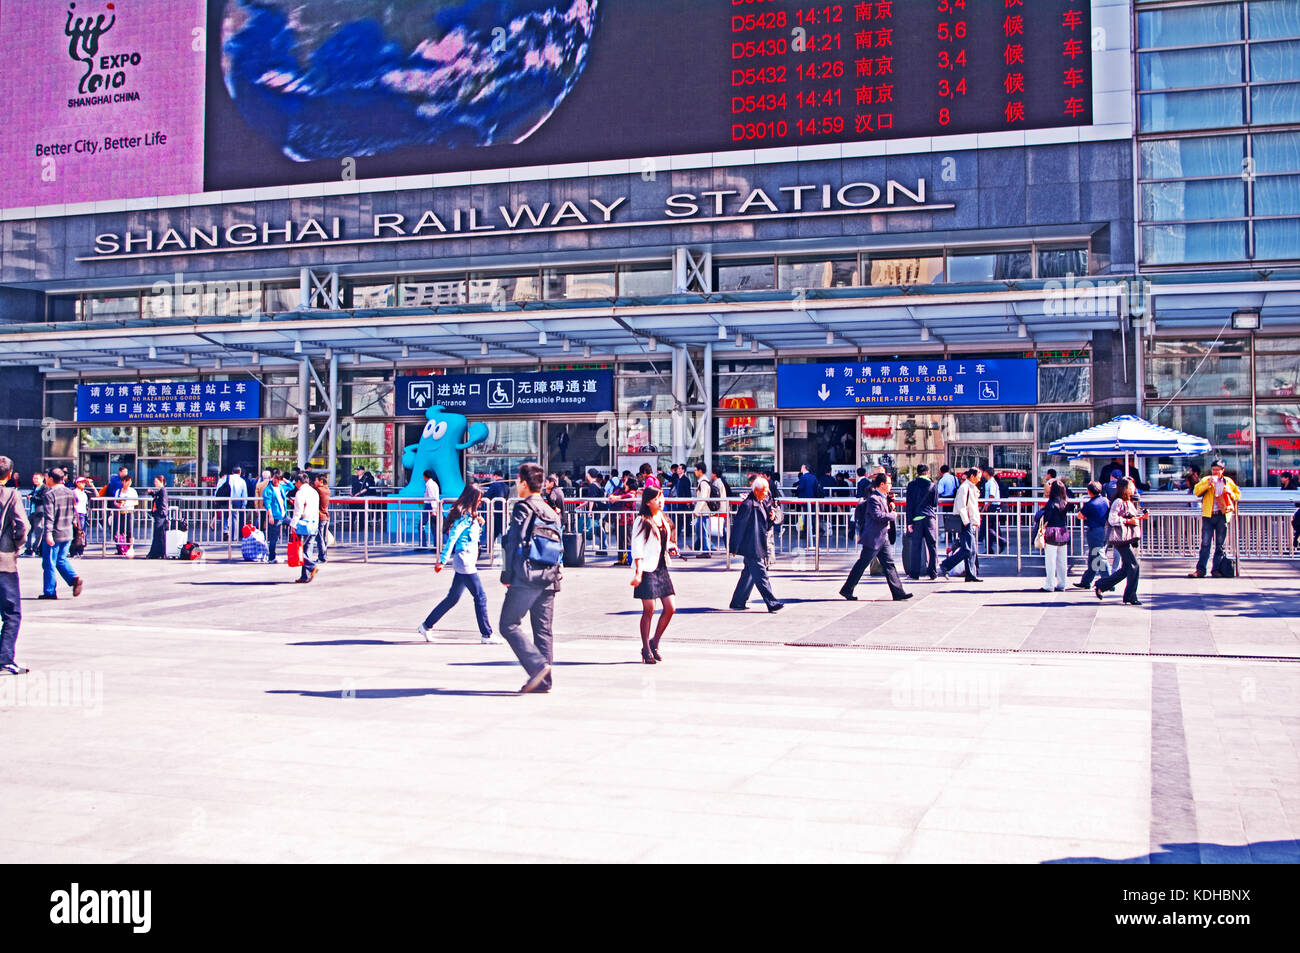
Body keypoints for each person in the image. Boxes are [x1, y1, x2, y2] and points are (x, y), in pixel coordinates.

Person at [498, 463, 562, 694]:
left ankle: (537, 667)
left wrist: (506, 574)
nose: (516, 485)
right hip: (550, 575)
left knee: (508, 624)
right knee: (543, 631)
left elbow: (512, 541)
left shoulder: (523, 508)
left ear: (524, 483)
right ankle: (544, 682)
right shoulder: (550, 511)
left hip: (526, 577)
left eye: (517, 481)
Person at [418, 485, 499, 644]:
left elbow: (469, 535)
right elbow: (453, 538)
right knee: (480, 597)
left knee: (452, 598)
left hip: (467, 560)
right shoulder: (464, 517)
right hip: (465, 560)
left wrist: (479, 523)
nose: (481, 500)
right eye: (479, 498)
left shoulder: (471, 515)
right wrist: (442, 560)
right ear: (472, 498)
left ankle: (426, 626)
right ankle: (487, 634)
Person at [841, 472, 912, 602]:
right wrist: (893, 515)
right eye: (889, 483)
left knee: (889, 564)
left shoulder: (883, 497)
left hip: (882, 537)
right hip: (874, 538)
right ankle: (847, 589)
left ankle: (898, 592)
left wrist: (891, 505)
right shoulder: (874, 498)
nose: (891, 485)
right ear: (882, 484)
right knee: (862, 564)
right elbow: (878, 516)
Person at [630, 485, 678, 664]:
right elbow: (637, 547)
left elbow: (663, 541)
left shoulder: (663, 518)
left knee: (670, 607)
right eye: (657, 498)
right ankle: (646, 648)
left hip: (662, 567)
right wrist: (638, 572)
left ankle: (655, 641)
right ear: (648, 501)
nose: (661, 500)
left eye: (662, 497)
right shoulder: (642, 520)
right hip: (647, 570)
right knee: (649, 609)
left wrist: (671, 547)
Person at [728, 476, 784, 612]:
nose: (766, 494)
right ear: (756, 490)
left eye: (767, 491)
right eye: (764, 491)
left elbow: (771, 519)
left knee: (749, 574)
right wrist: (734, 547)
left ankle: (738, 601)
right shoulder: (747, 505)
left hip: (759, 542)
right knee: (761, 574)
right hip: (752, 545)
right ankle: (771, 602)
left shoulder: (763, 502)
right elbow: (738, 527)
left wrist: (773, 516)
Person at [0, 456, 31, 676]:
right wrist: (15, 545)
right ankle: (5, 659)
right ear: (10, 475)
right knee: (12, 612)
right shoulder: (11, 495)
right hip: (4, 561)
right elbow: (23, 525)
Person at [1094, 477, 1147, 605]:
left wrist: (1141, 517)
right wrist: (1128, 521)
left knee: (1127, 568)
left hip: (1128, 538)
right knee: (1134, 565)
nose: (1133, 488)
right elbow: (1112, 519)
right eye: (1131, 486)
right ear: (1125, 489)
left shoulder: (1129, 501)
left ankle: (1102, 584)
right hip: (1121, 539)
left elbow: (1130, 517)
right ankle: (1130, 595)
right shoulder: (1118, 501)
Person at [1189, 459, 1241, 578]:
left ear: (1223, 471)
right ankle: (1201, 570)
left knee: (1220, 544)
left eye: (1217, 470)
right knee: (1205, 543)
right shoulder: (1206, 480)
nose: (1215, 472)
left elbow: (1237, 495)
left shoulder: (1228, 482)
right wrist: (1207, 484)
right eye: (1213, 470)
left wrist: (1230, 493)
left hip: (1222, 515)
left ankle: (1216, 569)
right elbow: (1196, 491)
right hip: (1209, 515)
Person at [40, 468, 83, 600]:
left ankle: (49, 591)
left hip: (55, 533)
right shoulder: (70, 492)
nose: (45, 480)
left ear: (51, 479)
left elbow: (49, 516)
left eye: (46, 478)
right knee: (61, 559)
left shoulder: (49, 494)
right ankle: (73, 578)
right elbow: (74, 512)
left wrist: (48, 534)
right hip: (68, 531)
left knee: (49, 563)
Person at [938, 468, 982, 582]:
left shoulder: (971, 487)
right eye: (978, 476)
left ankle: (970, 574)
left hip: (969, 522)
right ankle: (946, 565)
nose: (979, 479)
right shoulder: (964, 488)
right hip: (965, 522)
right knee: (968, 549)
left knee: (971, 549)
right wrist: (967, 521)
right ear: (972, 476)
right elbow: (962, 506)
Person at [1033, 480, 1075, 592]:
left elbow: (1046, 518)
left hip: (1052, 532)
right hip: (1063, 531)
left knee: (1050, 560)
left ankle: (1050, 584)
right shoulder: (1066, 502)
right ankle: (1062, 584)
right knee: (1062, 560)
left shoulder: (1051, 503)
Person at [1075, 481, 1113, 590]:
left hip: (1094, 531)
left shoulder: (1090, 504)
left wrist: (1088, 517)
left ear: (1089, 491)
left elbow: (1080, 516)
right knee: (1093, 556)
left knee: (1099, 555)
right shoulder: (1106, 501)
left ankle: (1108, 581)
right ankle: (1086, 581)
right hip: (1104, 530)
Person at [904, 464, 938, 580]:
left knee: (916, 546)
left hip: (916, 519)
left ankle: (915, 573)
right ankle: (933, 572)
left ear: (917, 472)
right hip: (929, 518)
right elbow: (935, 503)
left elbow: (909, 505)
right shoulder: (933, 485)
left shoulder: (912, 485)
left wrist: (909, 523)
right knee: (932, 546)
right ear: (927, 472)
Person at [291, 471, 321, 583]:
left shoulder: (300, 493)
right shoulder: (314, 492)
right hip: (314, 523)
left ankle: (312, 566)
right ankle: (305, 576)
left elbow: (298, 511)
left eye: (296, 483)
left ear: (299, 482)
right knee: (308, 550)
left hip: (304, 524)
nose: (295, 485)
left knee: (298, 550)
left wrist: (293, 524)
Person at [262, 470, 289, 562]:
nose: (276, 481)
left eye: (278, 479)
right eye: (275, 478)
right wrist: (270, 516)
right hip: (275, 516)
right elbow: (267, 504)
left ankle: (273, 556)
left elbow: (291, 486)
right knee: (274, 537)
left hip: (283, 515)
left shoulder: (281, 486)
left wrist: (284, 480)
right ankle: (272, 557)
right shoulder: (268, 490)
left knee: (294, 525)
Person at [979, 465, 1007, 554]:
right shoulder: (989, 482)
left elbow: (991, 496)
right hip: (990, 506)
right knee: (989, 528)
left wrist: (986, 506)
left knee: (986, 527)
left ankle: (1000, 541)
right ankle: (989, 548)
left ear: (986, 473)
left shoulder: (991, 483)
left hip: (992, 507)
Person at [691, 462, 714, 558]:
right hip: (703, 511)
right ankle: (705, 548)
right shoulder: (703, 482)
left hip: (703, 511)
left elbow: (702, 498)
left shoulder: (703, 483)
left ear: (700, 471)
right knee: (701, 530)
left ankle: (706, 550)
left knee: (703, 531)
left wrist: (696, 510)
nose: (694, 472)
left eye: (695, 470)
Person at [111, 474, 138, 551]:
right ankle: (122, 547)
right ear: (123, 482)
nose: (129, 483)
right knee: (121, 530)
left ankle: (130, 547)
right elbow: (115, 502)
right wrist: (119, 505)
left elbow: (136, 502)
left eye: (130, 481)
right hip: (120, 512)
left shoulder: (132, 491)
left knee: (129, 530)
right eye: (127, 481)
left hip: (129, 512)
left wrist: (127, 504)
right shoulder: (118, 491)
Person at [146, 474, 169, 559]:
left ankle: (156, 553)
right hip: (160, 514)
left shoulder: (163, 491)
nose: (155, 483)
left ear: (161, 482)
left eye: (156, 482)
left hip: (160, 515)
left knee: (158, 534)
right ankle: (158, 552)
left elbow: (163, 503)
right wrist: (152, 493)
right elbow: (158, 497)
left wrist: (159, 512)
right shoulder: (161, 490)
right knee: (158, 534)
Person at [23, 470, 46, 556]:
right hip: (32, 512)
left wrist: (32, 497)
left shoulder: (45, 488)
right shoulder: (35, 488)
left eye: (37, 478)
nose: (35, 480)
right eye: (34, 478)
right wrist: (30, 495)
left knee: (38, 532)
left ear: (42, 479)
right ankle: (28, 549)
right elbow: (32, 495)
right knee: (28, 530)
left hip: (40, 512)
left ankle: (36, 548)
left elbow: (42, 499)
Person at [312, 472, 331, 563]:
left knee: (319, 539)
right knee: (324, 538)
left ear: (321, 481)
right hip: (326, 516)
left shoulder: (318, 490)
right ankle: (324, 555)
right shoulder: (327, 489)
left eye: (316, 480)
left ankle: (322, 557)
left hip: (320, 516)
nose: (314, 482)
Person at [419, 469, 441, 548]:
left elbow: (432, 497)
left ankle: (422, 544)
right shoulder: (434, 484)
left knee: (421, 525)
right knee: (434, 527)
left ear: (425, 476)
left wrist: (433, 509)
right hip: (433, 506)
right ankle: (436, 545)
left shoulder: (429, 484)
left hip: (429, 506)